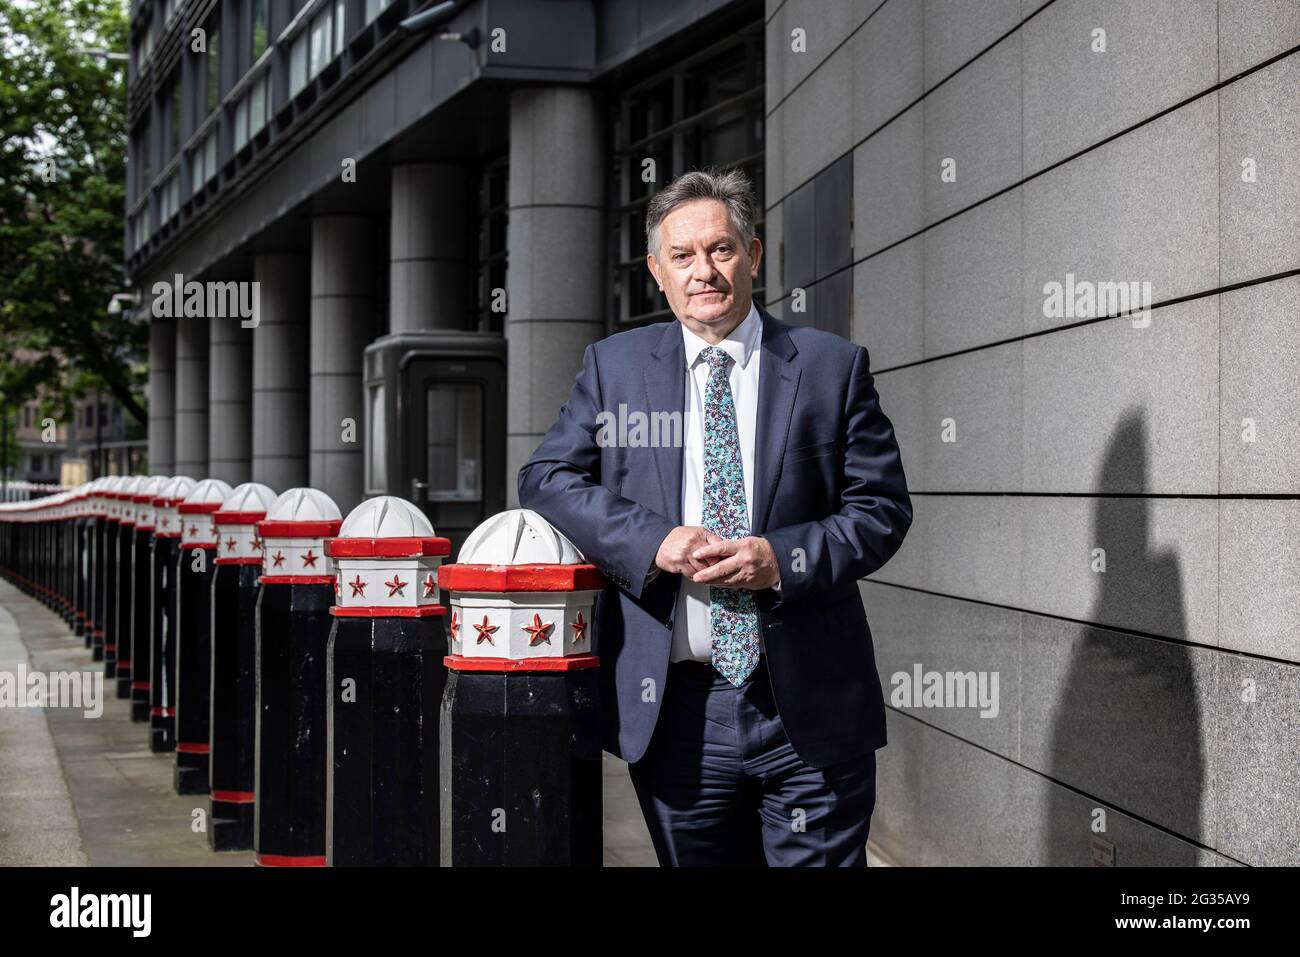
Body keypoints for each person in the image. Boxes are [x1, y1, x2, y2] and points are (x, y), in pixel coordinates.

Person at [517, 166, 912, 866]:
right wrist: (652, 540)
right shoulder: (615, 368)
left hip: (808, 711)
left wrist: (781, 559)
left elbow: (881, 510)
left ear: (753, 256)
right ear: (656, 272)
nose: (705, 271)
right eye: (683, 256)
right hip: (676, 717)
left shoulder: (830, 366)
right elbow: (546, 477)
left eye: (722, 249)